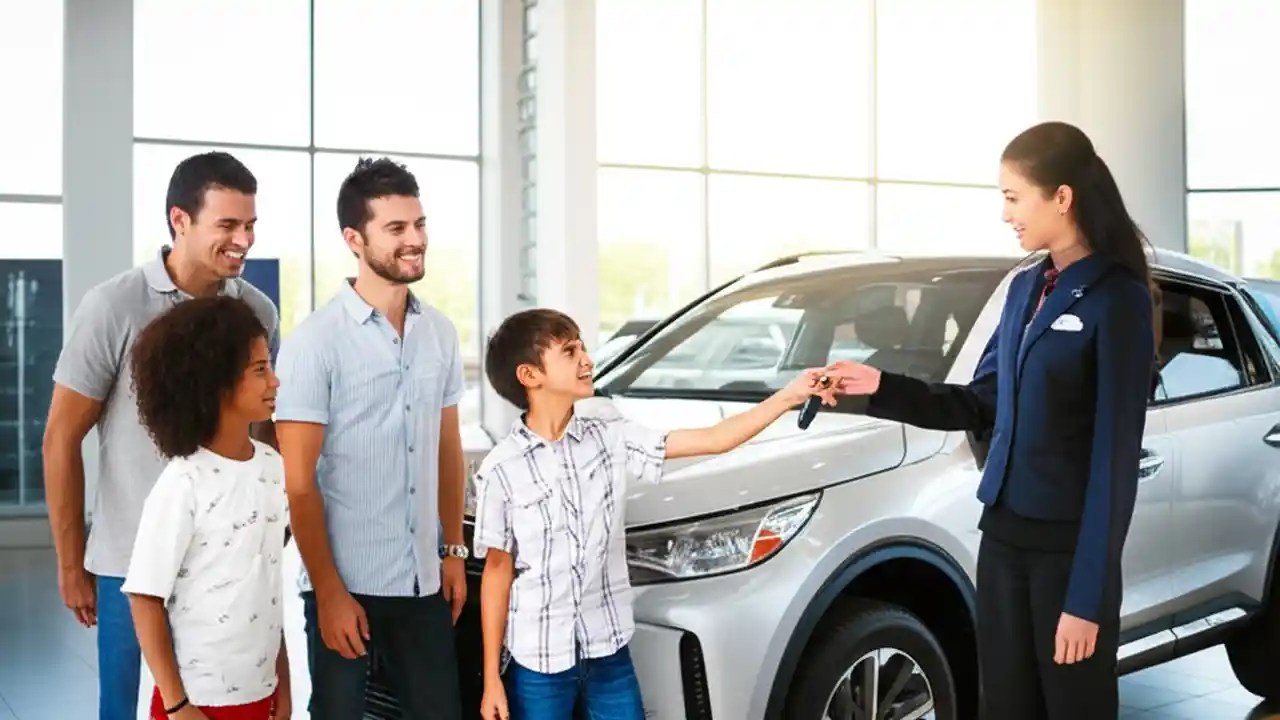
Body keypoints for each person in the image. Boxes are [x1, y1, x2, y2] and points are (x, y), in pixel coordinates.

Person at [822, 121, 1155, 719]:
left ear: (1062, 197)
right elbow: (978, 403)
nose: (1005, 214)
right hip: (1002, 541)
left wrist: (1087, 599)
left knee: (1074, 708)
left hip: (1066, 553)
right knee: (1006, 707)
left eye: (1012, 197)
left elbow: (1113, 463)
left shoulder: (1118, 298)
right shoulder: (1025, 287)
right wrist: (878, 388)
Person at [472, 308, 833, 720]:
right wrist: (491, 680)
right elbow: (497, 572)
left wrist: (790, 395)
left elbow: (715, 439)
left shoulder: (610, 436)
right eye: (570, 351)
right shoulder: (501, 468)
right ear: (529, 376)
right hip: (537, 659)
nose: (587, 359)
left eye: (584, 346)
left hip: (607, 649)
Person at [43, 152, 280, 720]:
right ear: (180, 219)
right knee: (124, 709)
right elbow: (60, 439)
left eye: (250, 224)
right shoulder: (113, 306)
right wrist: (72, 563)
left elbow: (261, 429)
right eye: (227, 225)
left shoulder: (256, 310)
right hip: (129, 565)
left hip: (226, 564)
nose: (243, 239)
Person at [274, 157, 467, 719]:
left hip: (424, 581)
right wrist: (329, 592)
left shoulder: (440, 332)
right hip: (347, 584)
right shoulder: (316, 342)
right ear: (354, 239)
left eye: (420, 225)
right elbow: (299, 483)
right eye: (397, 229)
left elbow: (446, 450)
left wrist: (453, 550)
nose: (416, 241)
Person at [122, 295, 290, 720]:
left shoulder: (273, 467)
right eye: (260, 370)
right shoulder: (183, 483)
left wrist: (282, 685)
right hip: (196, 705)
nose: (275, 382)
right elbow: (145, 598)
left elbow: (265, 584)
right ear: (216, 381)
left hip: (260, 695)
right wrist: (177, 705)